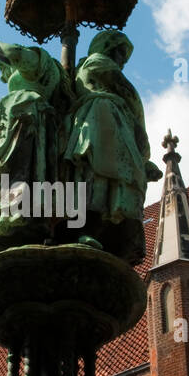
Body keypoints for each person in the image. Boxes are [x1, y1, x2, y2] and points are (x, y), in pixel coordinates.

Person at [59, 29, 162, 263]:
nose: (121, 62)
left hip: (112, 122)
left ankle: (108, 232)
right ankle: (91, 230)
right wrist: (142, 142)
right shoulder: (97, 62)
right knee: (103, 174)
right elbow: (130, 95)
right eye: (120, 54)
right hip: (103, 120)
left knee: (113, 178)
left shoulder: (90, 68)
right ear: (107, 48)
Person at [0, 26, 68, 258]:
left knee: (20, 174)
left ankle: (22, 217)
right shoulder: (16, 96)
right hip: (12, 131)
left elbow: (20, 57)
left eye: (4, 70)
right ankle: (3, 218)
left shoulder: (42, 66)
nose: (3, 76)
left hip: (27, 123)